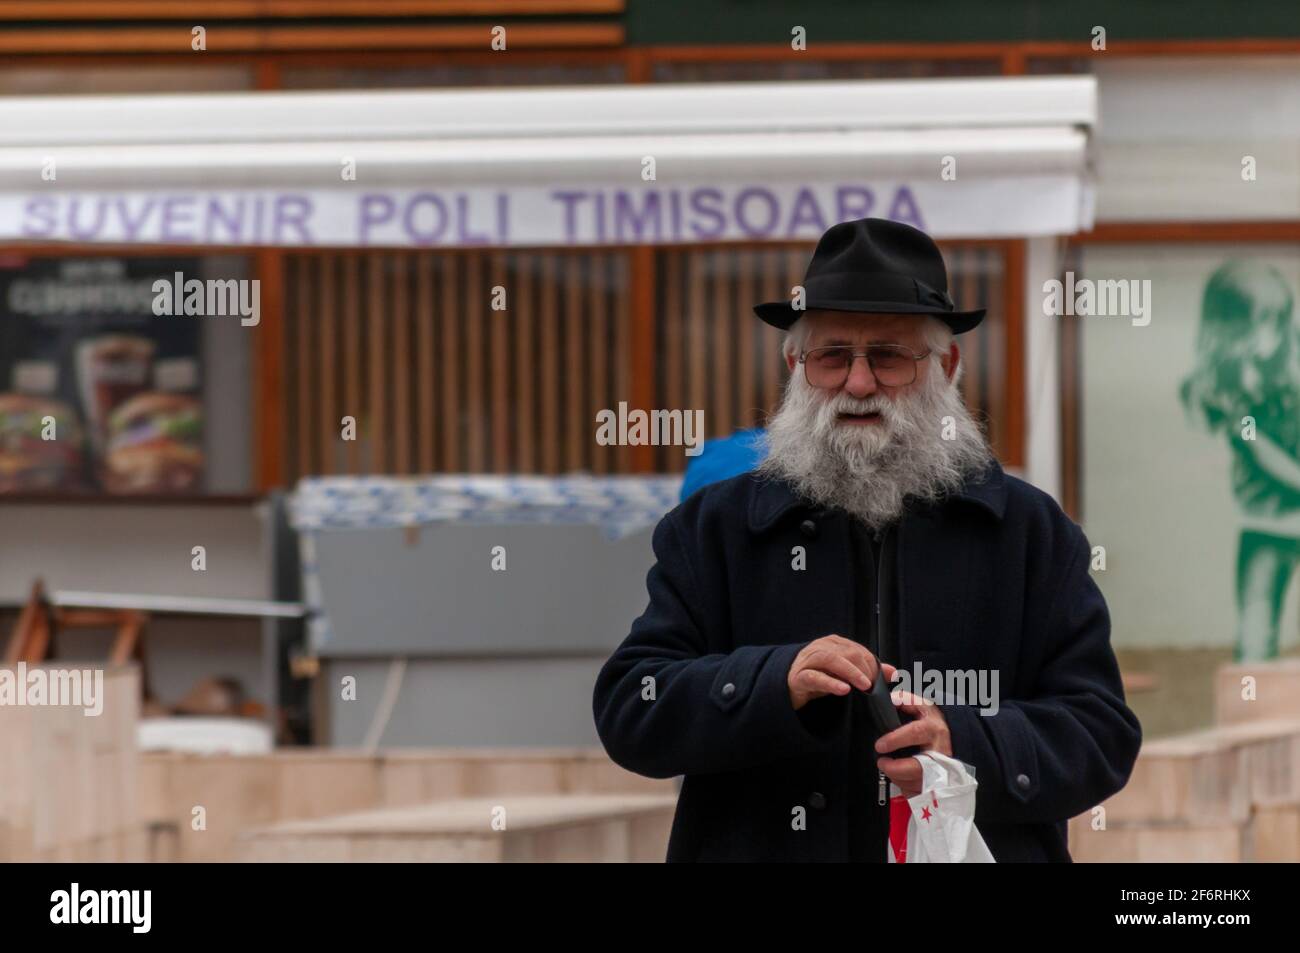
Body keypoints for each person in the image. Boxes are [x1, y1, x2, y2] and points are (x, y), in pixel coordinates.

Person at [592, 217, 1141, 862]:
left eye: (887, 356)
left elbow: (1101, 734)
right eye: (833, 356)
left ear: (947, 365)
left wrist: (962, 743)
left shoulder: (1030, 533)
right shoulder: (715, 528)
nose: (858, 383)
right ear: (796, 365)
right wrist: (773, 682)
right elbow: (633, 708)